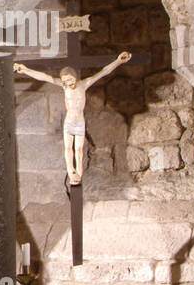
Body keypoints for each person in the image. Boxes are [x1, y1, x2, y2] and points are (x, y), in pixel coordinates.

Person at [13, 51, 132, 185]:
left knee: (79, 150)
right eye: (65, 81)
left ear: (75, 77)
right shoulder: (64, 87)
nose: (68, 83)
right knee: (68, 148)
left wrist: (118, 61)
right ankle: (71, 172)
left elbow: (103, 72)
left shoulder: (84, 84)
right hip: (69, 122)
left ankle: (79, 174)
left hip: (79, 122)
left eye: (70, 80)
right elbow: (44, 77)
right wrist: (26, 70)